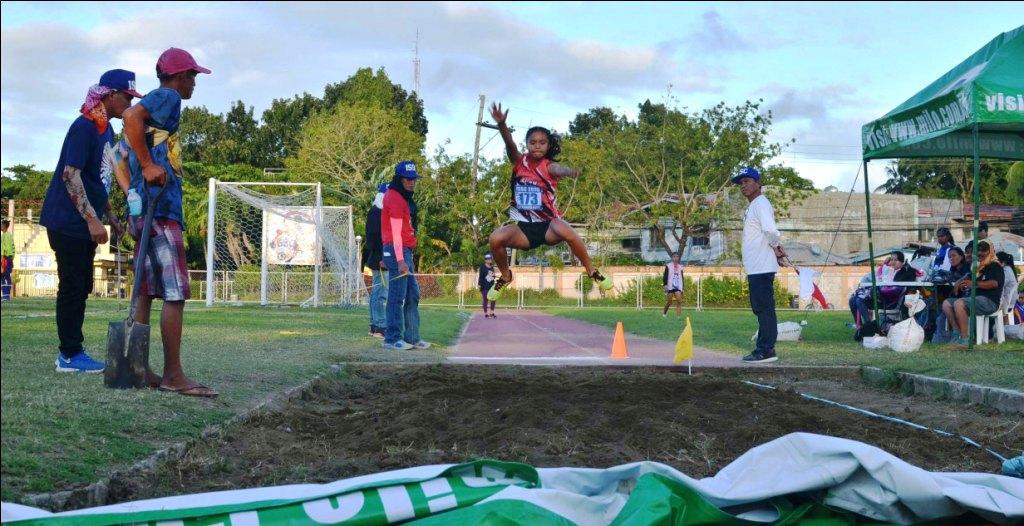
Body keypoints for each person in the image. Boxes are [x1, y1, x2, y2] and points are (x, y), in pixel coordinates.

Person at [117, 48, 216, 397]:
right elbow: (130, 115)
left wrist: (134, 195)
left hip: (145, 207)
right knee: (174, 293)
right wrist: (147, 166)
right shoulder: (168, 97)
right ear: (180, 76)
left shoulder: (158, 110)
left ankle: (137, 368)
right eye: (193, 76)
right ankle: (173, 375)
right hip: (160, 208)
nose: (194, 84)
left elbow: (119, 154)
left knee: (146, 291)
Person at [39, 69, 138, 372]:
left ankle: (73, 351)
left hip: (85, 221)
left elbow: (97, 179)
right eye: (127, 97)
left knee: (82, 284)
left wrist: (110, 215)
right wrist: (93, 220)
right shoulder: (84, 126)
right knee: (73, 285)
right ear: (110, 95)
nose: (130, 104)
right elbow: (70, 175)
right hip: (68, 222)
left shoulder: (106, 129)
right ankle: (69, 355)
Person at [485, 102, 612, 300]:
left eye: (542, 142)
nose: (537, 146)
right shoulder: (519, 162)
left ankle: (592, 270)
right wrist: (502, 124)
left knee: (566, 229)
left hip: (548, 226)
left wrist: (569, 171)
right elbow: (509, 144)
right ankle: (506, 276)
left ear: (548, 145)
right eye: (533, 142)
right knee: (495, 238)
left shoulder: (549, 166)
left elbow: (558, 169)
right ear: (527, 144)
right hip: (523, 229)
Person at [734, 167, 786, 363]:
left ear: (758, 183)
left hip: (761, 266)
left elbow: (770, 231)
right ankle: (764, 348)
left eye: (747, 181)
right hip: (757, 266)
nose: (743, 185)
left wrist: (776, 246)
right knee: (761, 308)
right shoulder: (753, 205)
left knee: (764, 309)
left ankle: (766, 350)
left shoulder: (761, 203)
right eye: (741, 183)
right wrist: (776, 249)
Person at [381, 160, 431, 351]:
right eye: (407, 179)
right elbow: (395, 232)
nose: (412, 182)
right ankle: (392, 339)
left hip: (404, 251)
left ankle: (412, 337)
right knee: (397, 296)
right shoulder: (394, 197)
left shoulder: (402, 198)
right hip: (397, 251)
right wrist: (401, 260)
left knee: (412, 294)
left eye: (413, 179)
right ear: (399, 179)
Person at [941, 240, 1004, 345]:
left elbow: (994, 283)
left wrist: (974, 284)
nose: (980, 253)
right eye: (978, 250)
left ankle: (965, 339)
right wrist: (960, 283)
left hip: (990, 301)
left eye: (984, 250)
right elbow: (968, 278)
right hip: (974, 299)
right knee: (946, 303)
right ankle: (956, 332)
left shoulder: (994, 265)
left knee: (959, 303)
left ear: (990, 250)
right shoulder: (978, 266)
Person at [848, 251, 917, 329]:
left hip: (889, 301)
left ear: (902, 261)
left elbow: (895, 288)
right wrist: (886, 263)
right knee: (852, 300)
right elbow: (879, 276)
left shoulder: (905, 272)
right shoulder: (888, 270)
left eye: (896, 260)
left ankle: (869, 326)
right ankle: (860, 325)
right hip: (881, 297)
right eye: (892, 259)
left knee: (859, 300)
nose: (893, 262)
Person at [362, 182, 388, 338]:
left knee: (378, 292)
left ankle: (375, 325)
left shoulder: (380, 211)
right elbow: (373, 238)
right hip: (380, 258)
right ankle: (379, 326)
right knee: (380, 293)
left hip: (380, 257)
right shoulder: (376, 212)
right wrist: (382, 257)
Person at [996, 252, 1019, 323]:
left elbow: (999, 284)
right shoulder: (1009, 269)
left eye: (996, 260)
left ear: (1003, 262)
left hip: (1008, 301)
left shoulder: (1006, 271)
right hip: (1009, 301)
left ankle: (1004, 328)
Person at [662, 252, 684, 318]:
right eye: (674, 256)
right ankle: (664, 314)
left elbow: (682, 277)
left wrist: (683, 287)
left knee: (679, 300)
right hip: (670, 285)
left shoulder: (680, 267)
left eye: (677, 257)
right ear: (672, 258)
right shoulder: (668, 266)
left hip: (678, 286)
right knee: (669, 302)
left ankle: (678, 317)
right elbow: (665, 276)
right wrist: (665, 285)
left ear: (678, 258)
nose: (675, 258)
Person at [478, 252, 497, 318]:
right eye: (488, 259)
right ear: (485, 260)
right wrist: (479, 285)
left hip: (491, 286)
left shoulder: (492, 268)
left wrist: (494, 276)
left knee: (493, 299)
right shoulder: (482, 267)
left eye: (491, 259)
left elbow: (493, 277)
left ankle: (492, 312)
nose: (490, 260)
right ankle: (486, 313)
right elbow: (480, 277)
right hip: (484, 286)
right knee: (485, 299)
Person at [1, 218, 13, 301]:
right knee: (6, 276)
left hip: (5, 257)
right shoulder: (6, 235)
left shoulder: (6, 236)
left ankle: (5, 296)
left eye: (1, 224)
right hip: (8, 257)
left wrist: (2, 258)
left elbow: (5, 248)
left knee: (3, 275)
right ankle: (6, 296)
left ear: (4, 226)